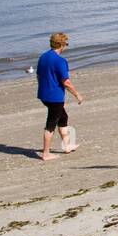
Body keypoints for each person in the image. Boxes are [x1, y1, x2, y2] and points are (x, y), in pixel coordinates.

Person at [36, 32, 83, 161]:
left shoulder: (43, 57)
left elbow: (38, 75)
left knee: (63, 117)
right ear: (62, 45)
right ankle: (46, 153)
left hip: (44, 95)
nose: (66, 46)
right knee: (51, 124)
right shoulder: (60, 61)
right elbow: (66, 82)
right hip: (54, 97)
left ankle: (67, 146)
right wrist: (77, 94)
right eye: (66, 43)